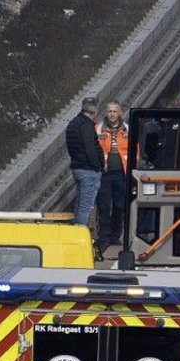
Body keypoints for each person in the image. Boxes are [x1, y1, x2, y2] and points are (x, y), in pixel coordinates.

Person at [95, 101, 134, 257]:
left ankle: (115, 236)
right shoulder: (98, 128)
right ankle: (103, 237)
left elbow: (135, 149)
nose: (112, 114)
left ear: (120, 112)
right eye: (109, 111)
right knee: (103, 206)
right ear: (106, 112)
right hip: (104, 173)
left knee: (120, 206)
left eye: (115, 111)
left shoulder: (128, 129)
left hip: (121, 173)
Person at [64, 98, 103, 230]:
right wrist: (97, 167)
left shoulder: (73, 123)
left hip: (77, 167)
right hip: (88, 170)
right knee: (85, 205)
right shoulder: (86, 125)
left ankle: (75, 230)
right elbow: (90, 149)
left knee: (79, 203)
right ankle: (81, 232)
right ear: (94, 111)